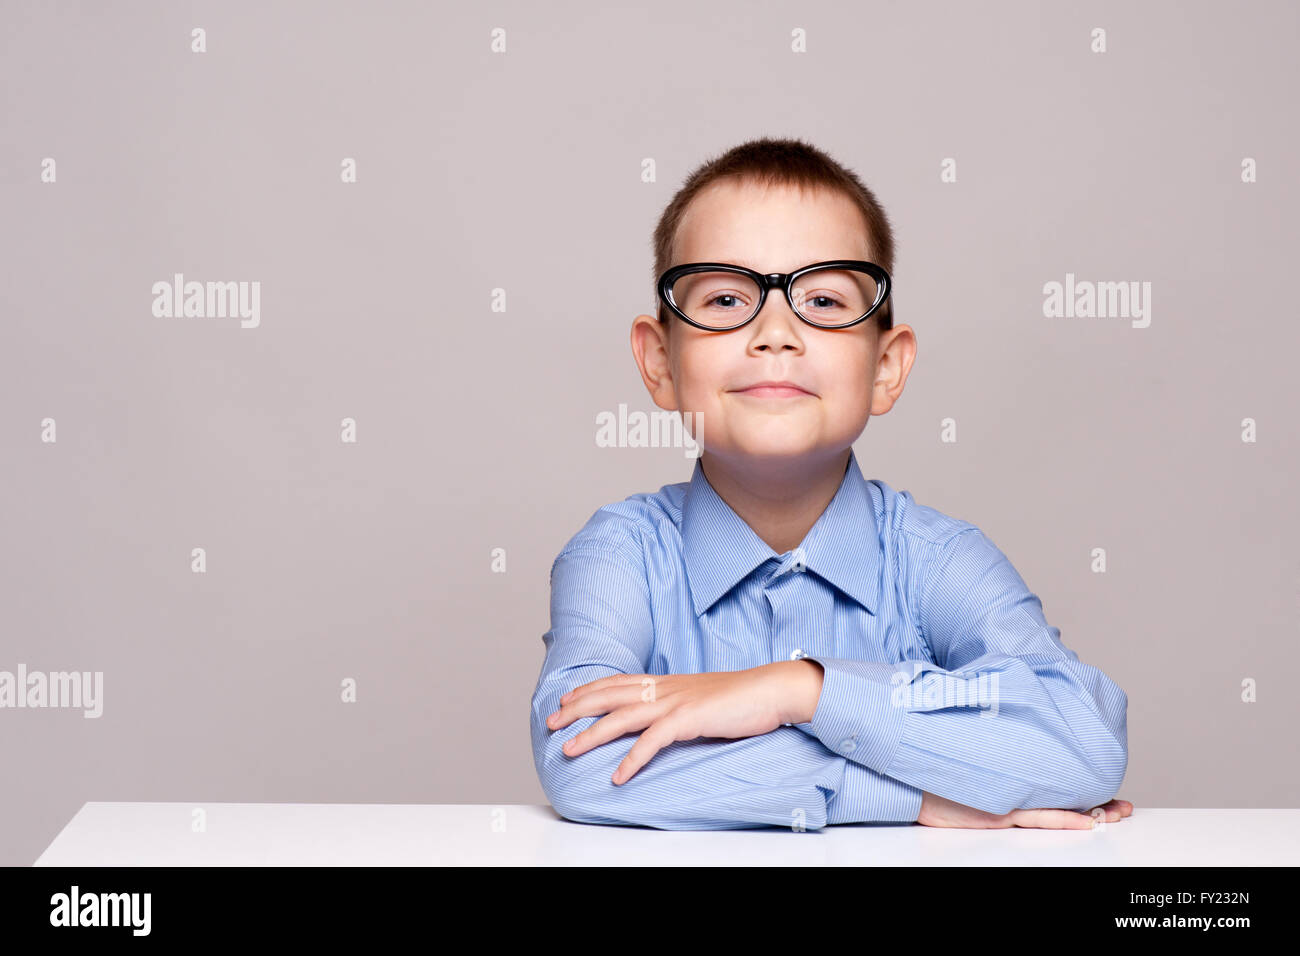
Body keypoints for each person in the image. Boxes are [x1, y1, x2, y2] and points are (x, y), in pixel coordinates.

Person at [531, 136, 1133, 831]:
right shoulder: (619, 556)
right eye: (726, 299)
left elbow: (1082, 742)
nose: (775, 332)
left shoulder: (939, 560)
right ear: (659, 362)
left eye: (822, 299)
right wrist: (914, 797)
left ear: (887, 368)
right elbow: (582, 765)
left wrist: (800, 691)